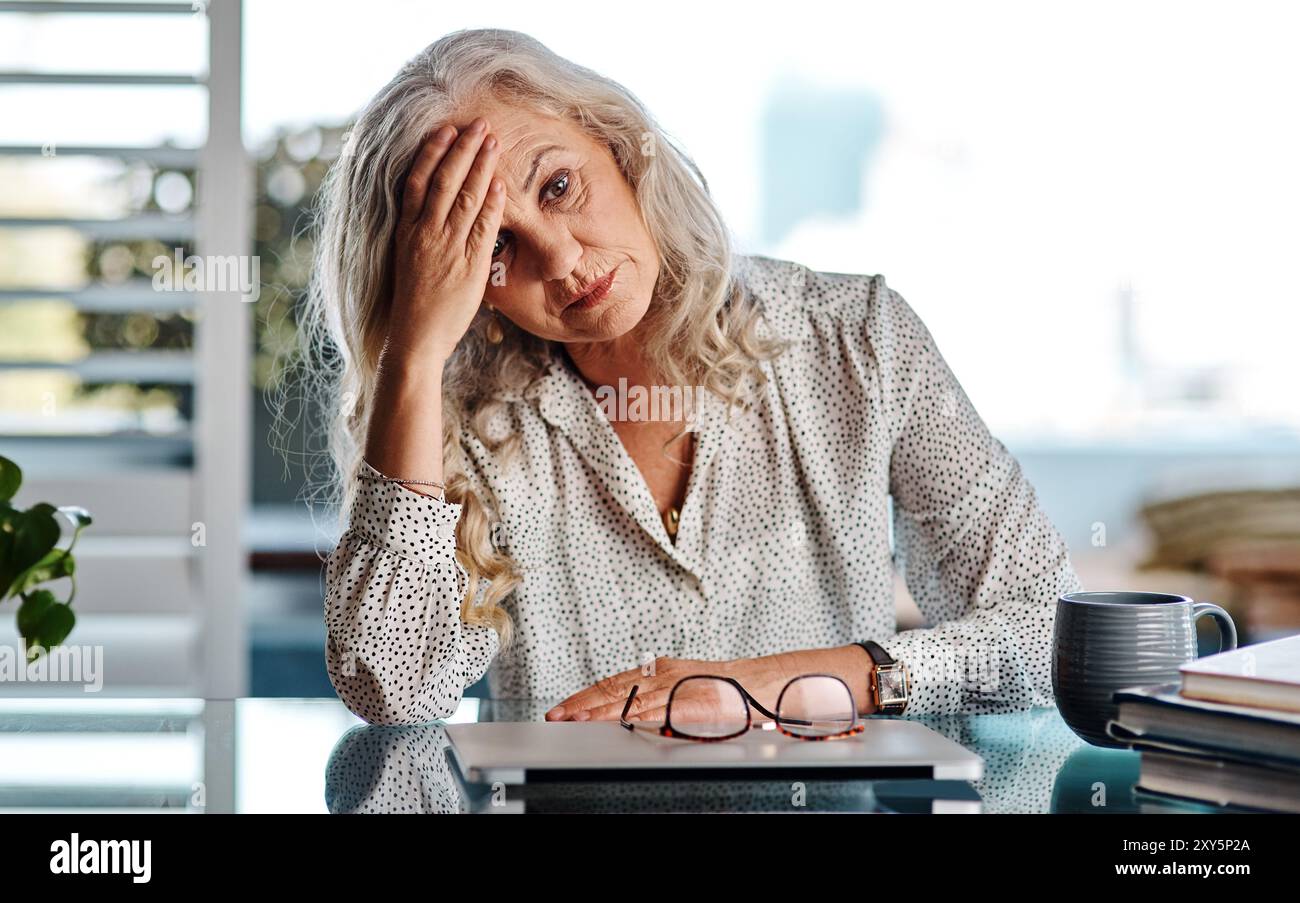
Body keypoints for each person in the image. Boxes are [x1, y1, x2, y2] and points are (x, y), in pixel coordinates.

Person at [293, 28, 1083, 726]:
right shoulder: (458, 419)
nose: (563, 262)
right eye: (493, 247)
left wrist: (797, 684)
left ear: (617, 143)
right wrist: (413, 356)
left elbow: (1049, 627)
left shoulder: (857, 339)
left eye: (559, 186)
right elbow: (392, 693)